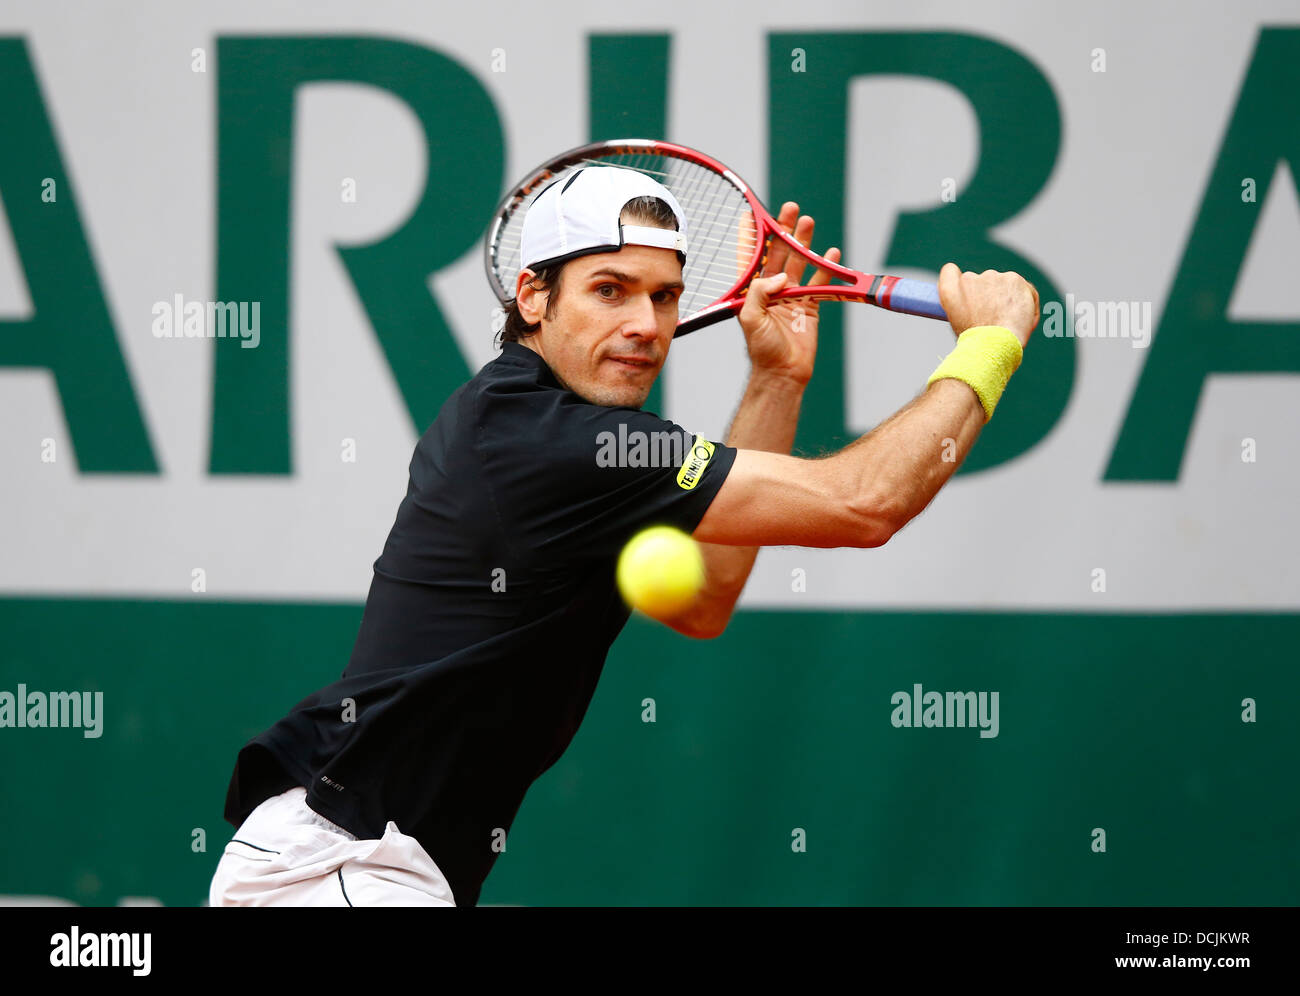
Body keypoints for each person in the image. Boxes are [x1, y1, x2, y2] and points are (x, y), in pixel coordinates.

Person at [209, 165, 1038, 907]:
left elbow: (706, 597)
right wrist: (990, 345)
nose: (647, 323)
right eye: (610, 289)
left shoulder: (549, 428)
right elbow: (866, 504)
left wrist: (777, 380)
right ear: (533, 297)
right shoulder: (559, 443)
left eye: (665, 295)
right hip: (340, 866)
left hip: (362, 863)